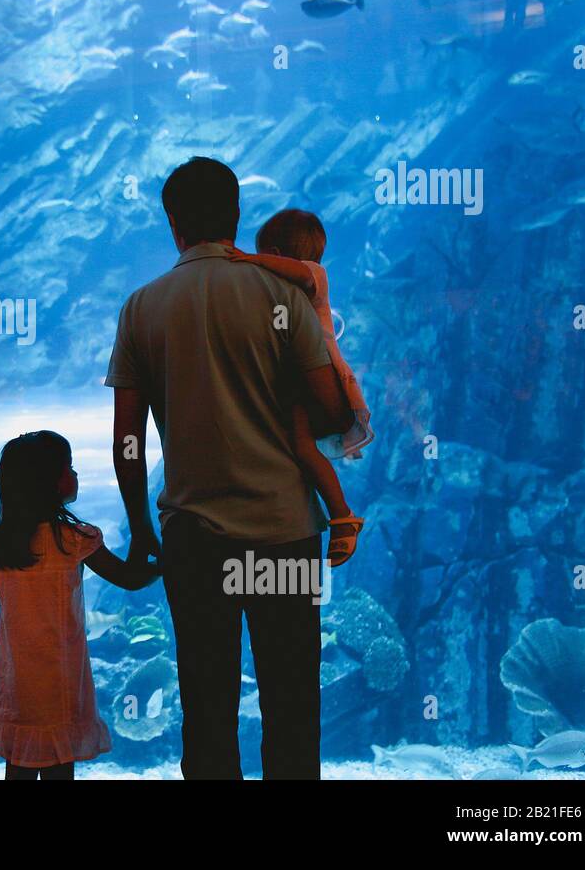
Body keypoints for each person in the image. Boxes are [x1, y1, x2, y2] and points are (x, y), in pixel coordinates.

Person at [106, 157, 354, 780]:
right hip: (285, 535)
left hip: (193, 539)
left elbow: (128, 443)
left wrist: (140, 527)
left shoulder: (142, 308)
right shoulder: (283, 297)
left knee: (207, 709)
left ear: (173, 223)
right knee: (293, 705)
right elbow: (329, 412)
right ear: (237, 217)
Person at [0, 430, 157, 780]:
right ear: (51, 483)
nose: (75, 475)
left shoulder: (0, 545)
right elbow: (130, 578)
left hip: (18, 685)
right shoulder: (75, 539)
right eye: (68, 468)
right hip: (62, 684)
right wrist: (159, 561)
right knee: (60, 766)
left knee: (19, 767)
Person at [226, 208, 372, 566]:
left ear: (275, 255)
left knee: (304, 449)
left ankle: (342, 517)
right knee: (299, 446)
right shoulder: (282, 291)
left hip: (321, 379)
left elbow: (296, 271)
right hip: (301, 381)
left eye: (268, 257)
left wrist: (250, 260)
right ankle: (340, 500)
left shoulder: (313, 275)